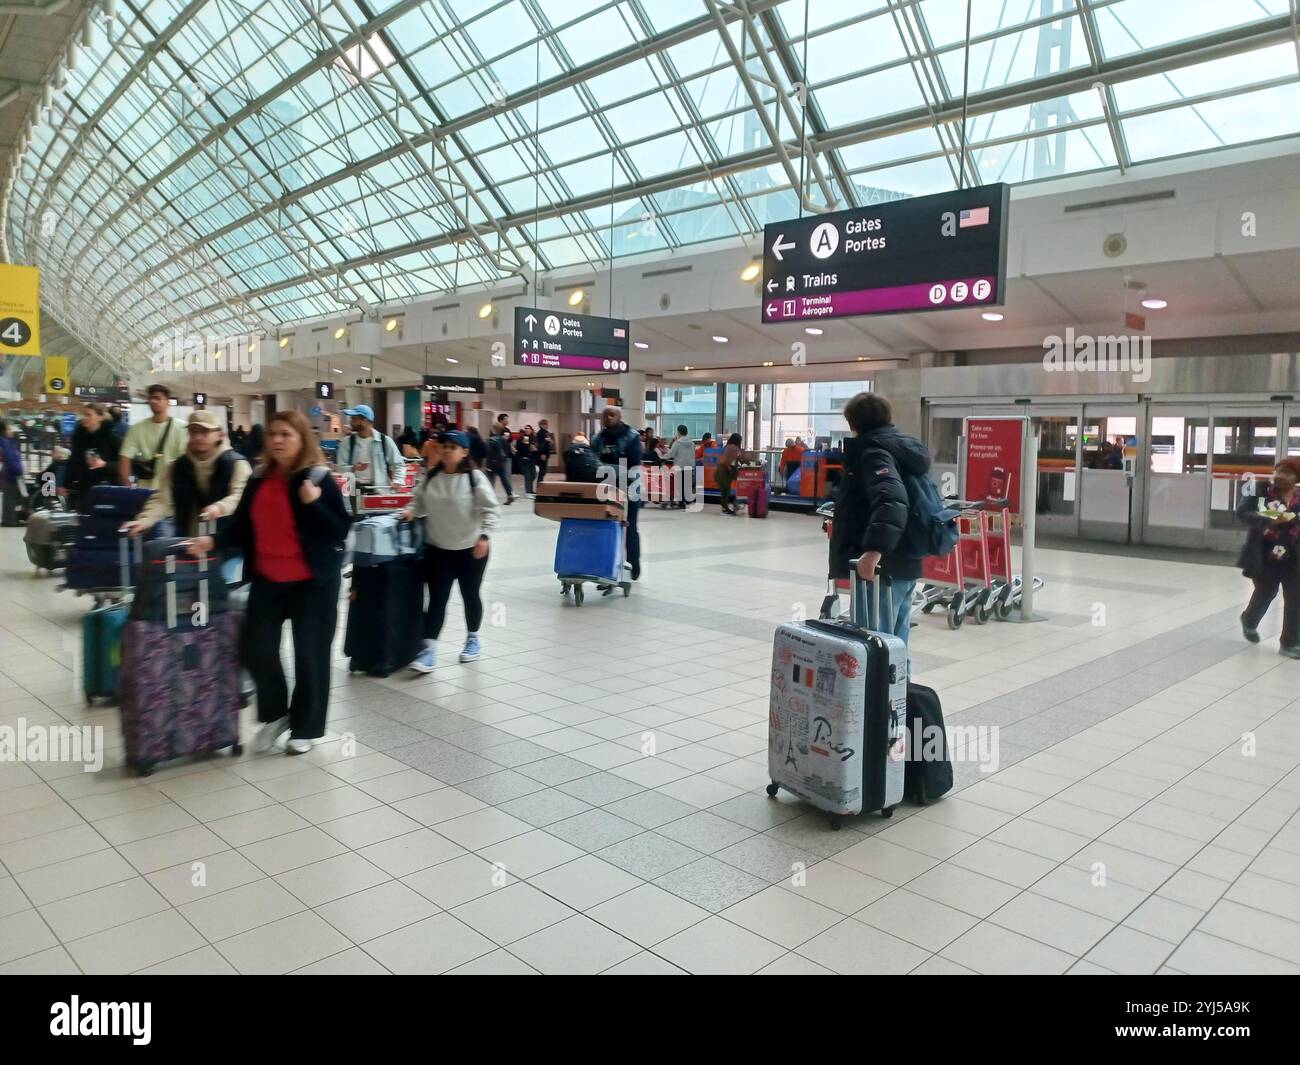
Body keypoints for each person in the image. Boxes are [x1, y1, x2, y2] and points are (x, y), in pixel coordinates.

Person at [187, 410, 350, 755]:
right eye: (273, 434)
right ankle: (277, 714)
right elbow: (243, 526)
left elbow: (340, 530)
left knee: (311, 657)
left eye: (286, 434)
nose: (277, 440)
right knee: (257, 650)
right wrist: (213, 541)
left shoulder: (319, 479)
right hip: (268, 581)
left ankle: (305, 727)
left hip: (312, 585)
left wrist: (315, 505)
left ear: (302, 438)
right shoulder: (259, 478)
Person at [830, 392, 932, 647]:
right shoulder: (901, 447)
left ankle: (880, 688)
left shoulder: (872, 452)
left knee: (876, 646)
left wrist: (873, 552)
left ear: (853, 424)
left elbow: (891, 502)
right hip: (904, 561)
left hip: (881, 569)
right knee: (896, 645)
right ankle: (899, 687)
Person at [400, 430, 499, 672]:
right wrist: (411, 511)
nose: (446, 450)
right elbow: (418, 501)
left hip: (471, 549)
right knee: (437, 600)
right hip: (438, 549)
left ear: (464, 452)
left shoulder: (474, 478)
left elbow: (491, 509)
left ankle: (473, 639)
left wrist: (484, 537)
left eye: (453, 447)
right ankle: (429, 650)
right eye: (444, 445)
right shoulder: (431, 476)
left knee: (470, 596)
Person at [124, 411, 251, 581]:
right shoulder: (177, 467)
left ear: (219, 434)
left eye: (204, 432)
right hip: (190, 543)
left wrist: (219, 507)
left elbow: (241, 497)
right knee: (190, 592)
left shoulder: (236, 464)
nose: (198, 437)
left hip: (228, 545)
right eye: (193, 432)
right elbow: (162, 500)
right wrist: (143, 521)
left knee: (222, 591)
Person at [1237, 458, 1300, 658]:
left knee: (1295, 599)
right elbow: (1242, 512)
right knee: (1266, 592)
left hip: (1294, 555)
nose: (1281, 475)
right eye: (1279, 470)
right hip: (1265, 554)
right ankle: (1249, 620)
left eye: (1287, 473)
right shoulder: (1261, 490)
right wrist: (1268, 519)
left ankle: (1289, 643)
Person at [591, 406, 643, 580]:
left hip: (630, 486)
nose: (609, 418)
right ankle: (607, 569)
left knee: (630, 526)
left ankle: (634, 561)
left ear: (620, 417)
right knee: (606, 526)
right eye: (605, 415)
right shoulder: (598, 439)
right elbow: (593, 461)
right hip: (606, 487)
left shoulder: (632, 436)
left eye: (612, 415)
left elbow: (634, 463)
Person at [119, 384, 186, 489]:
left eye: (158, 398)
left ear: (168, 402)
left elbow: (185, 459)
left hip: (173, 489)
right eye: (151, 398)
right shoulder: (137, 429)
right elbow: (125, 458)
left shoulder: (182, 428)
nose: (153, 401)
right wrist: (129, 486)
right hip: (146, 490)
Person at [67, 402, 121, 512]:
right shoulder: (79, 437)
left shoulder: (112, 437)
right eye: (84, 415)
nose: (84, 418)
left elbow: (124, 465)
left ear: (100, 417)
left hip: (106, 487)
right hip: (84, 487)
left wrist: (105, 464)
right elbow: (74, 460)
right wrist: (65, 483)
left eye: (89, 415)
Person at [339, 404, 403, 491]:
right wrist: (353, 468)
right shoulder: (347, 442)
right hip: (353, 489)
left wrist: (398, 481)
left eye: (354, 419)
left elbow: (399, 464)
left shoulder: (384, 441)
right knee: (354, 504)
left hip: (379, 490)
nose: (351, 422)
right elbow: (340, 468)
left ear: (364, 420)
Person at [663, 424, 695, 511]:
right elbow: (693, 454)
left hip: (680, 466)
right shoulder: (692, 443)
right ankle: (685, 501)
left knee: (680, 485)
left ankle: (681, 503)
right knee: (687, 485)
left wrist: (663, 457)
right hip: (690, 465)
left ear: (678, 432)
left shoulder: (678, 443)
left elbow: (671, 454)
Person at [0, 419, 25, 526]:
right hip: (11, 473)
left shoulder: (7, 442)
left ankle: (8, 519)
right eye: (9, 429)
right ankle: (9, 520)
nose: (12, 431)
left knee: (9, 496)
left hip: (8, 472)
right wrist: (18, 470)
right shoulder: (4, 442)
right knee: (10, 496)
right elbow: (10, 458)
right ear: (4, 430)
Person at [485, 421, 515, 504]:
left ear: (493, 429)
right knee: (504, 479)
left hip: (493, 463)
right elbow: (506, 450)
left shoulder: (491, 440)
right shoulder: (503, 439)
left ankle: (489, 498)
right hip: (502, 462)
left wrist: (488, 464)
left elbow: (489, 453)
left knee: (490, 481)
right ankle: (510, 494)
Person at [715, 433, 743, 515]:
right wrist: (730, 468)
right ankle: (725, 509)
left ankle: (727, 507)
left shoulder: (728, 447)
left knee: (726, 491)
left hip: (722, 472)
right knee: (725, 492)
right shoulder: (732, 448)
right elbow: (727, 461)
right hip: (724, 473)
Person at [517, 425, 539, 496]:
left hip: (532, 459)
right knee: (528, 476)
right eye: (525, 429)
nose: (527, 430)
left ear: (531, 430)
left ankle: (530, 489)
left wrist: (535, 449)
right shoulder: (523, 438)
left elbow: (537, 447)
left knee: (533, 475)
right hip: (525, 459)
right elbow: (521, 449)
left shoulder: (534, 438)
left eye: (528, 428)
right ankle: (528, 491)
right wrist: (525, 445)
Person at [536, 419, 554, 485]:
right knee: (542, 471)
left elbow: (549, 442)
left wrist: (550, 441)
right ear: (541, 425)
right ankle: (539, 484)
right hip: (543, 453)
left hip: (546, 453)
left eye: (547, 424)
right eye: (545, 424)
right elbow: (540, 444)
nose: (547, 426)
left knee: (544, 471)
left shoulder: (546, 432)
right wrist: (542, 453)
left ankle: (540, 484)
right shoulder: (540, 433)